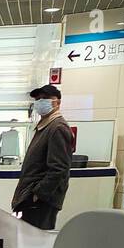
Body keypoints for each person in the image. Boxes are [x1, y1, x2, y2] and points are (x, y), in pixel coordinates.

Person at [12, 85, 73, 230]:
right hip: (33, 198)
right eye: (38, 99)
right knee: (28, 239)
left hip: (41, 201)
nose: (40, 102)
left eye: (45, 98)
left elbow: (59, 169)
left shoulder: (57, 128)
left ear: (57, 102)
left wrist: (38, 194)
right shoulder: (45, 126)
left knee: (36, 242)